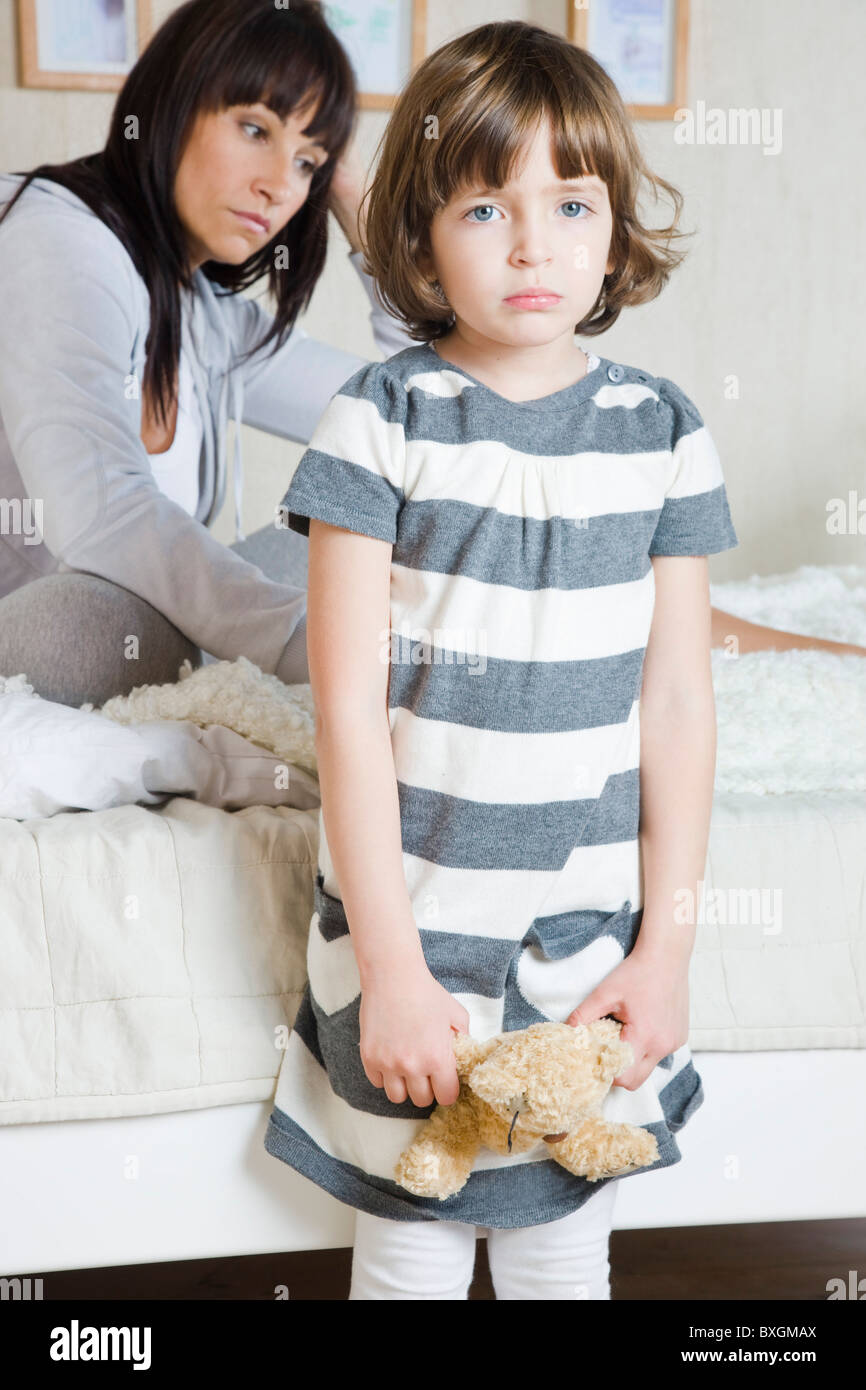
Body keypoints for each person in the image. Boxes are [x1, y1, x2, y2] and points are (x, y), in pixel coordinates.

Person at [262, 18, 742, 1300]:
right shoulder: (381, 421)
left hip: (584, 946)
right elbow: (348, 711)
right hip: (415, 935)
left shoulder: (662, 432)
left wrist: (666, 954)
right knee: (410, 1247)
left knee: (560, 1252)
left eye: (568, 203)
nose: (533, 243)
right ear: (420, 232)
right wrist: (390, 972)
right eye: (484, 208)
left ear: (612, 225)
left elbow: (681, 704)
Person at [0, 0, 415, 708]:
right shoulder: (54, 241)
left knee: (334, 558)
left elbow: (418, 415)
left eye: (308, 161)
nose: (280, 185)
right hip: (44, 634)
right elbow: (102, 514)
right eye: (255, 129)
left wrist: (357, 200)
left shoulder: (205, 317)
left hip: (140, 638)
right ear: (173, 101)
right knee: (94, 621)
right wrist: (308, 644)